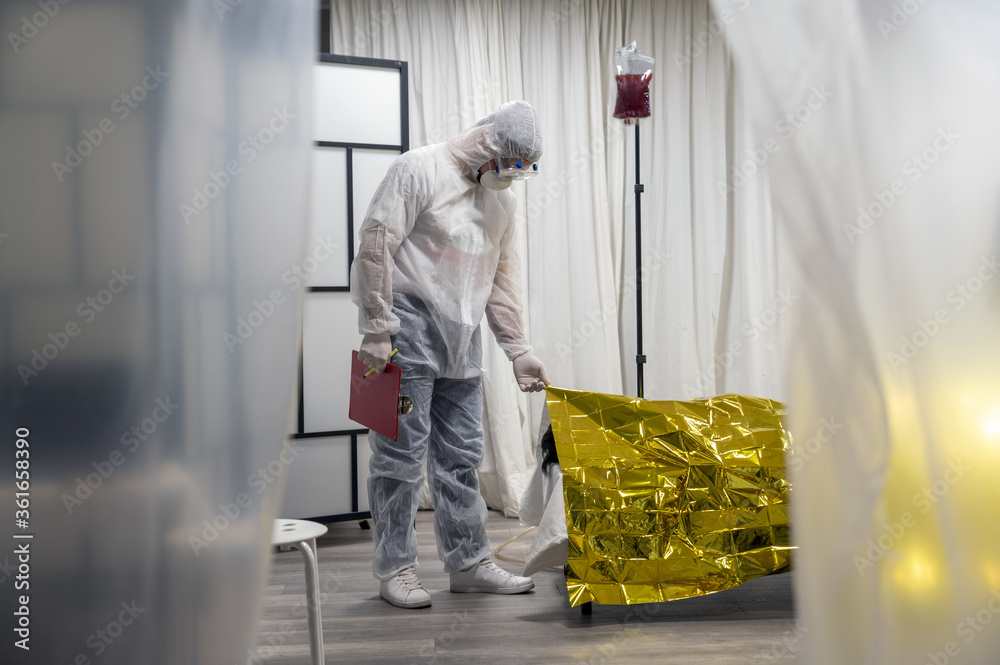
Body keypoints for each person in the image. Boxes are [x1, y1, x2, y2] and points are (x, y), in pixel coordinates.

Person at [350, 100, 550, 609]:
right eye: (505, 166)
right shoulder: (419, 168)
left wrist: (518, 348)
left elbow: (501, 276)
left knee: (461, 457)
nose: (507, 178)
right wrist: (376, 327)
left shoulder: (500, 202)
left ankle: (468, 562)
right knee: (398, 457)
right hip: (405, 329)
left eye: (516, 172)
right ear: (487, 145)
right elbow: (376, 242)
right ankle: (395, 567)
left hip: (462, 337)